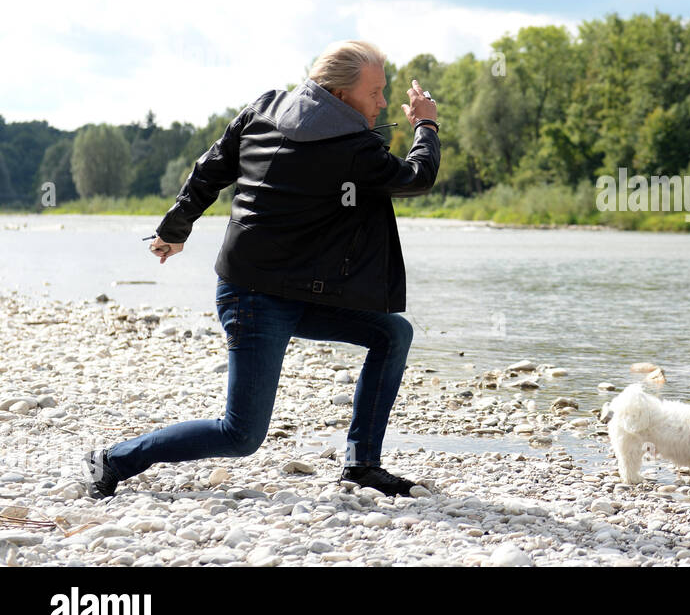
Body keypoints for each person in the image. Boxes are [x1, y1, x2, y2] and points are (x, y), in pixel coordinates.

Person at [84, 40, 441, 498]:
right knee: (241, 434)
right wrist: (426, 124)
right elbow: (417, 177)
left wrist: (175, 228)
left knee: (392, 333)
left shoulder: (266, 107)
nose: (384, 102)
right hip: (254, 297)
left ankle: (362, 466)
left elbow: (210, 168)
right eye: (375, 92)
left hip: (296, 291)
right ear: (339, 92)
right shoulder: (351, 147)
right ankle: (112, 459)